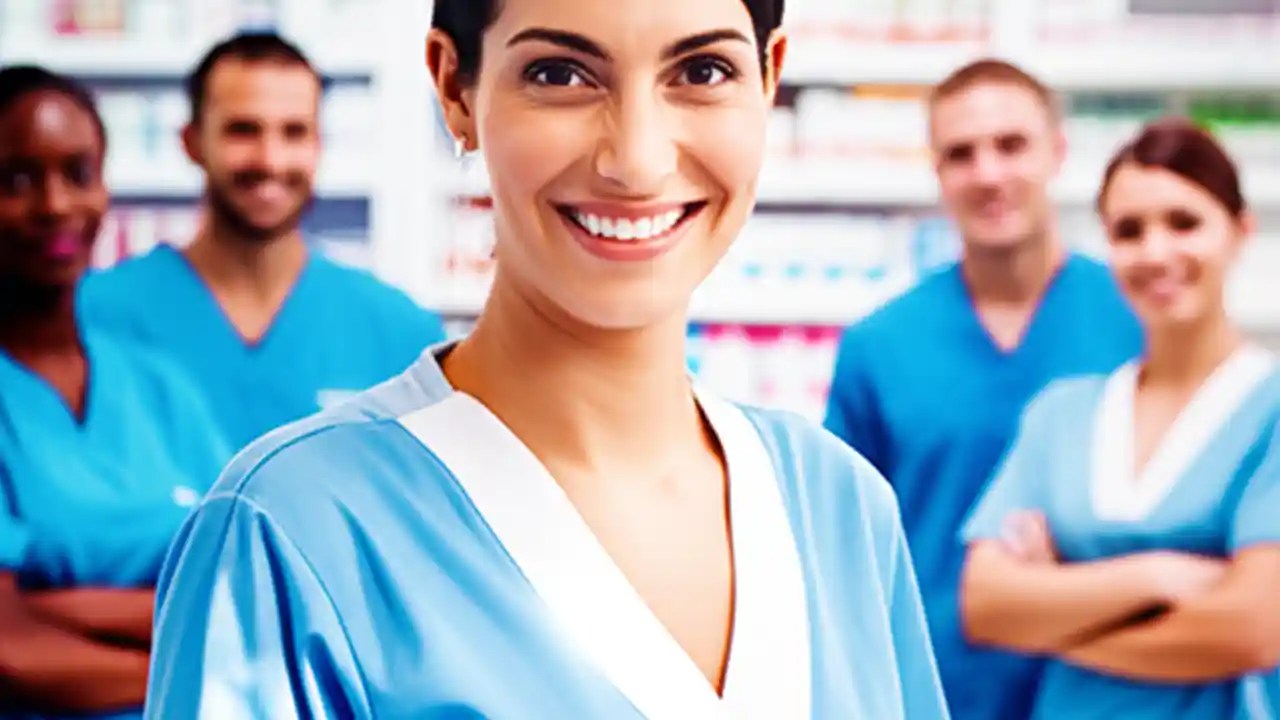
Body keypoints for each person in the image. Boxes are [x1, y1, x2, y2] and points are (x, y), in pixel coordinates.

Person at [143, 1, 952, 718]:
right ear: (455, 87)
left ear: (769, 78)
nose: (636, 160)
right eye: (560, 73)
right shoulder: (293, 527)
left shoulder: (840, 507)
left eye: (703, 69)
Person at [823, 59, 1144, 720]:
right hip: (930, 693)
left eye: (1011, 145)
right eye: (961, 154)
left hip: (1107, 689)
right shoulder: (879, 347)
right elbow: (840, 554)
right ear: (936, 171)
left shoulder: (1136, 325)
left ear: (1057, 151)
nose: (989, 173)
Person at [960, 118, 1280, 719]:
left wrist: (1053, 619)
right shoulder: (1063, 413)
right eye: (1129, 231)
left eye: (1184, 223)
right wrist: (1155, 577)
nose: (1155, 252)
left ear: (1240, 231)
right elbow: (984, 603)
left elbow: (1253, 627)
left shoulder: (1270, 409)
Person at [79, 32, 448, 452]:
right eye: (243, 131)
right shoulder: (96, 316)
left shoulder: (398, 331)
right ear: (192, 142)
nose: (270, 160)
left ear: (318, 144)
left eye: (293, 132)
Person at [0, 66, 230, 720]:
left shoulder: (159, 387)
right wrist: (203, 668)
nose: (54, 205)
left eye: (78, 172)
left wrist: (54, 607)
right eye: (16, 180)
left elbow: (240, 586)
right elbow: (10, 651)